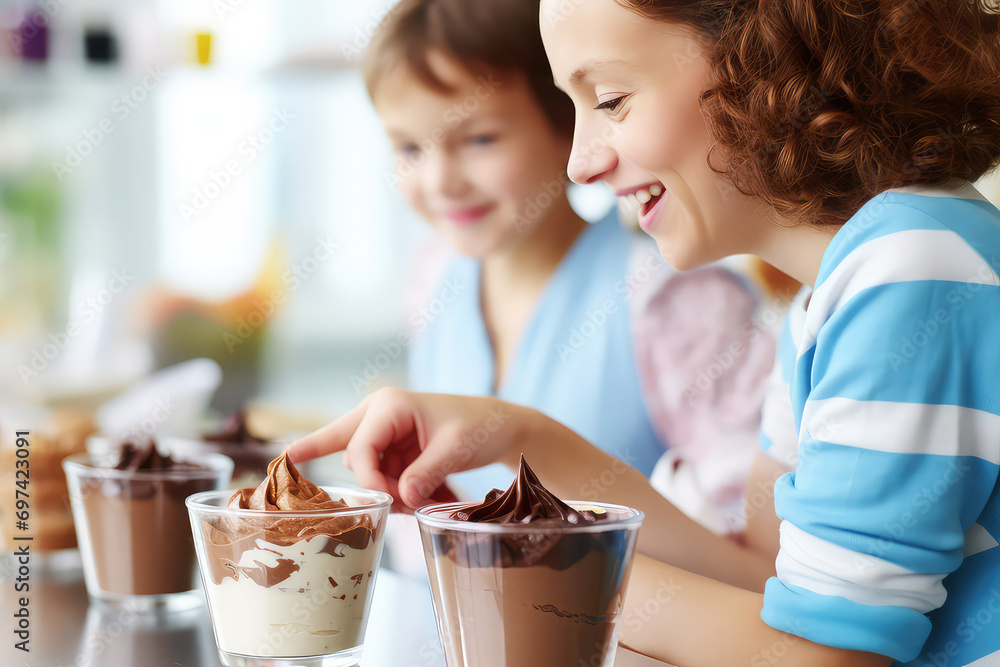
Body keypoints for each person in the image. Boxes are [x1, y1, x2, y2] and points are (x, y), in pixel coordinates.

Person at [290, 0, 1000, 664]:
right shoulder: (830, 299)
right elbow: (764, 583)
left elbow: (832, 655)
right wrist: (521, 435)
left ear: (764, 54)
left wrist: (530, 578)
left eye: (610, 101)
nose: (580, 162)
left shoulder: (910, 269)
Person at [362, 0, 775, 530]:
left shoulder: (673, 301)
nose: (441, 181)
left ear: (567, 124)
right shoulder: (430, 279)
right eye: (409, 147)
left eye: (480, 139)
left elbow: (745, 529)